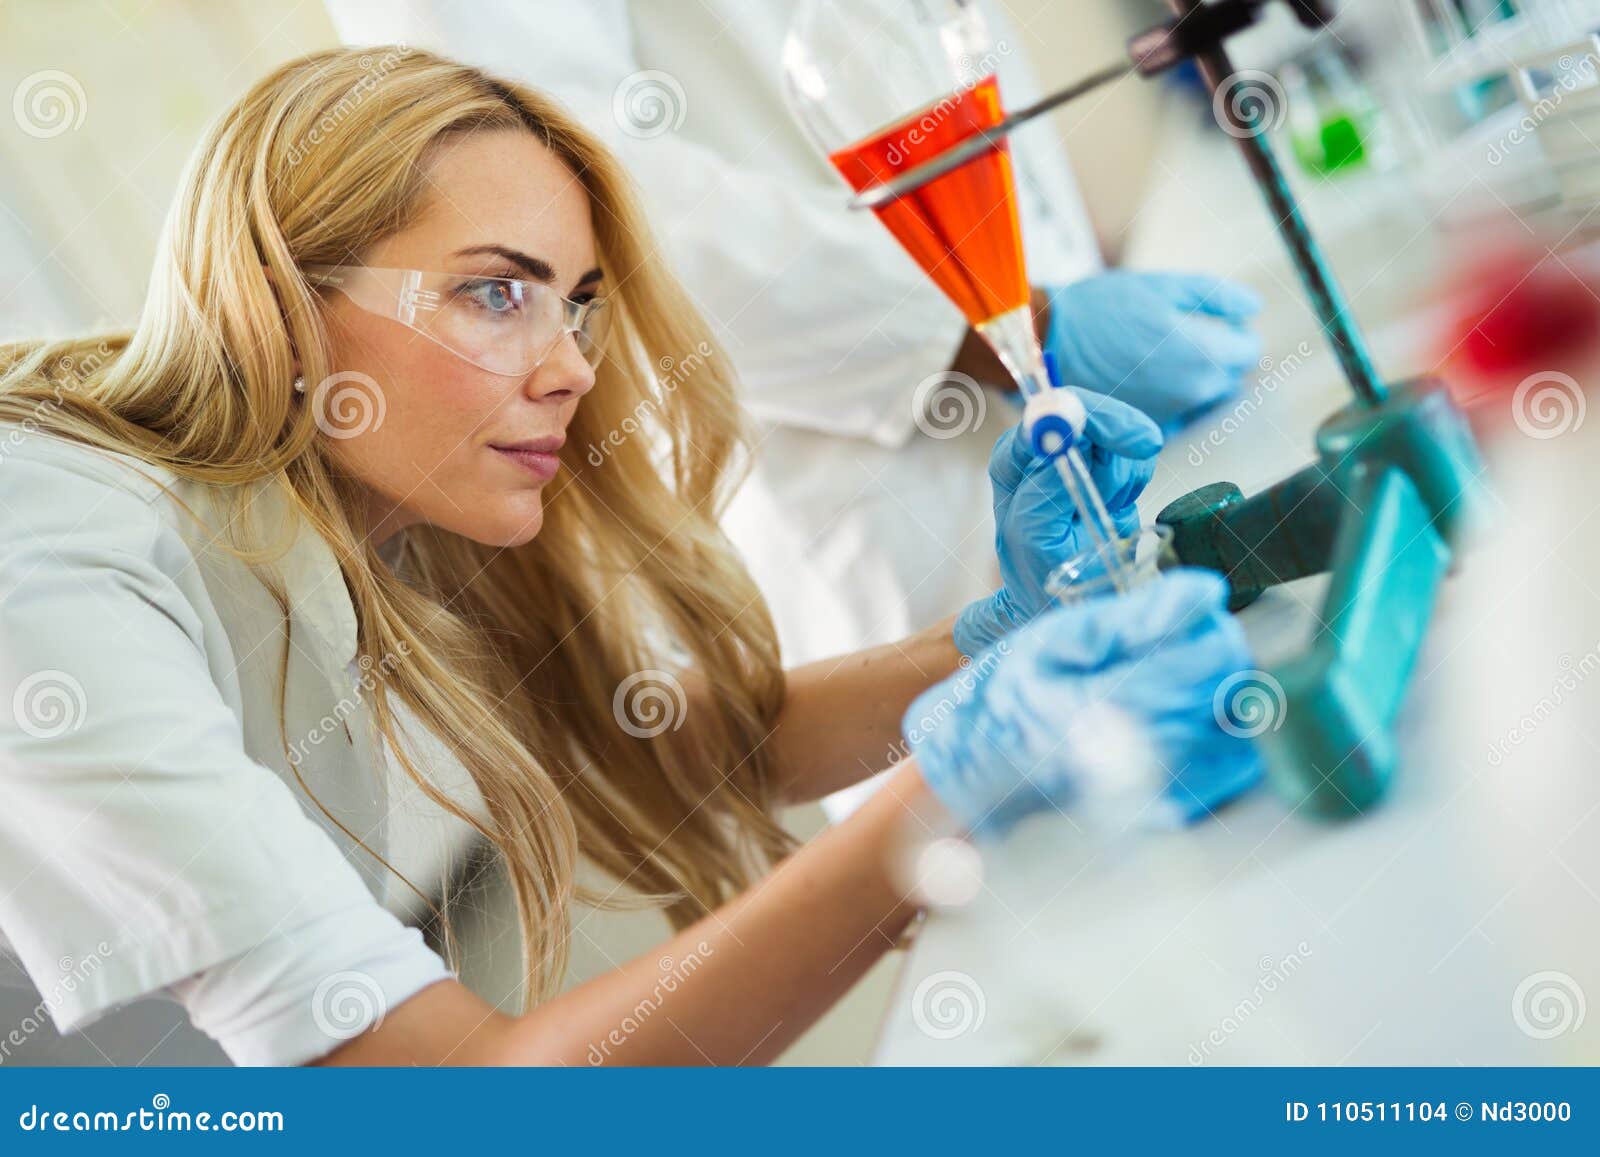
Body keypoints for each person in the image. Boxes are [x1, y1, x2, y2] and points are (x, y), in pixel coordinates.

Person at [0, 47, 1258, 1065]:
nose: (573, 366)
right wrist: (943, 807)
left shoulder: (344, 483)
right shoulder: (49, 559)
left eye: (579, 302)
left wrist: (989, 645)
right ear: (283, 298)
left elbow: (656, 740)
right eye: (495, 292)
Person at [323, 0, 1265, 689]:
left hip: (1065, 350)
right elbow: (567, 178)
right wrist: (995, 328)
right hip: (896, 483)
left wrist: (1052, 280)